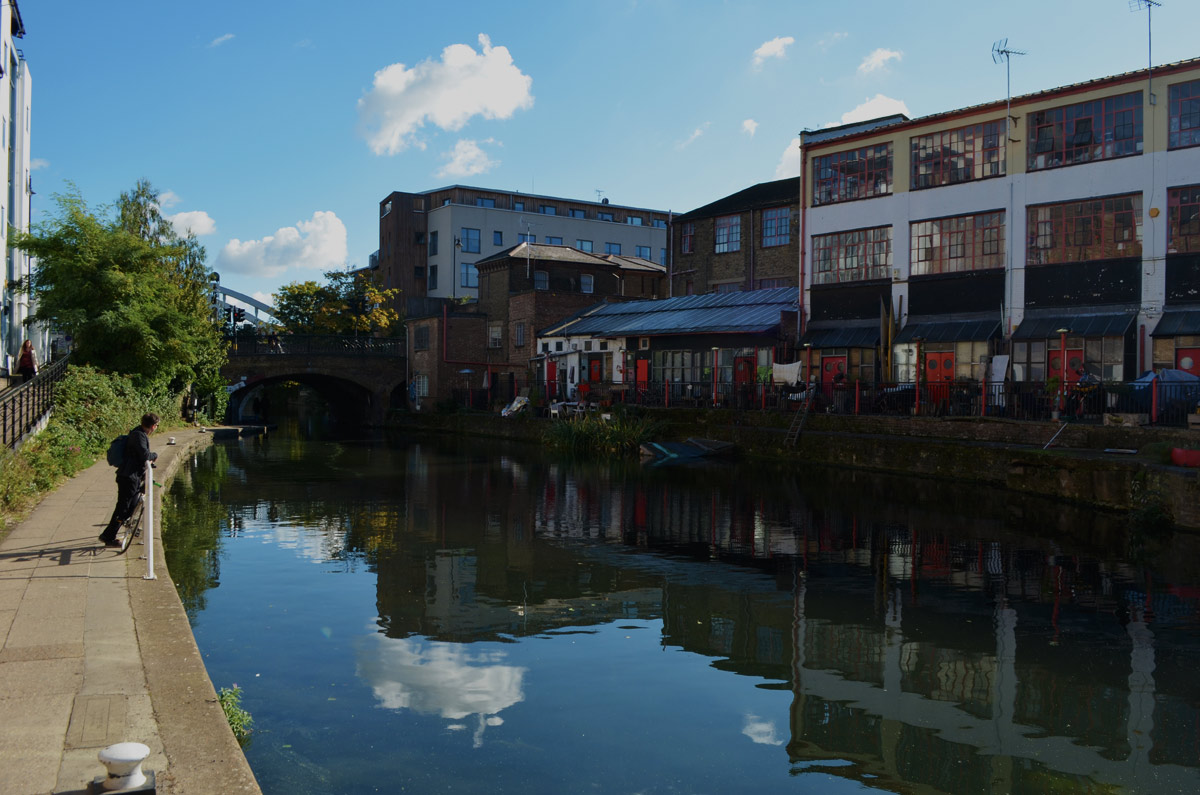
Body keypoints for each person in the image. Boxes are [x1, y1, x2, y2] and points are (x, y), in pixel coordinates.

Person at [98, 412, 160, 546]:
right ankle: (108, 536)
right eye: (157, 425)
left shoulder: (138, 433)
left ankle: (117, 529)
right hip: (129, 477)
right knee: (123, 508)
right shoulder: (139, 435)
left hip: (130, 476)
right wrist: (154, 455)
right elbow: (145, 455)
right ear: (153, 426)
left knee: (130, 505)